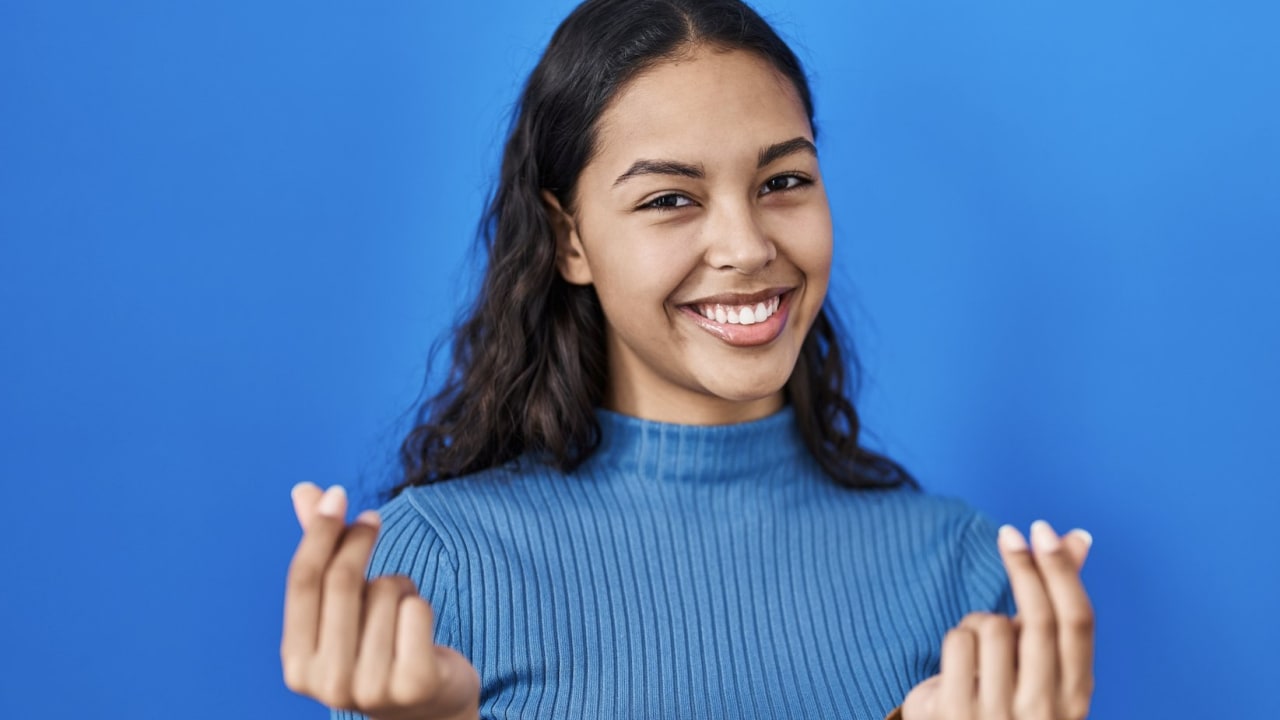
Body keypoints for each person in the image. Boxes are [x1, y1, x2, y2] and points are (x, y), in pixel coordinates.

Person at [280, 0, 1096, 718]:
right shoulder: (437, 567)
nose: (748, 247)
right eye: (670, 199)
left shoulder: (959, 576)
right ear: (570, 240)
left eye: (783, 182)